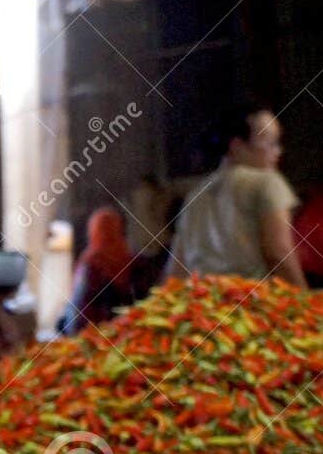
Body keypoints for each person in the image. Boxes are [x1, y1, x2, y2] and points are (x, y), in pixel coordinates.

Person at [170, 104, 306, 287]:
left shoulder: (195, 195)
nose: (278, 151)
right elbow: (279, 254)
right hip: (251, 304)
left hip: (202, 304)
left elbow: (176, 270)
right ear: (237, 146)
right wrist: (304, 299)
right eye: (269, 142)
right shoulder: (267, 182)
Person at [57, 207, 138, 334]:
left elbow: (77, 312)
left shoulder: (89, 264)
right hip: (124, 334)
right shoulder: (131, 259)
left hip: (94, 335)